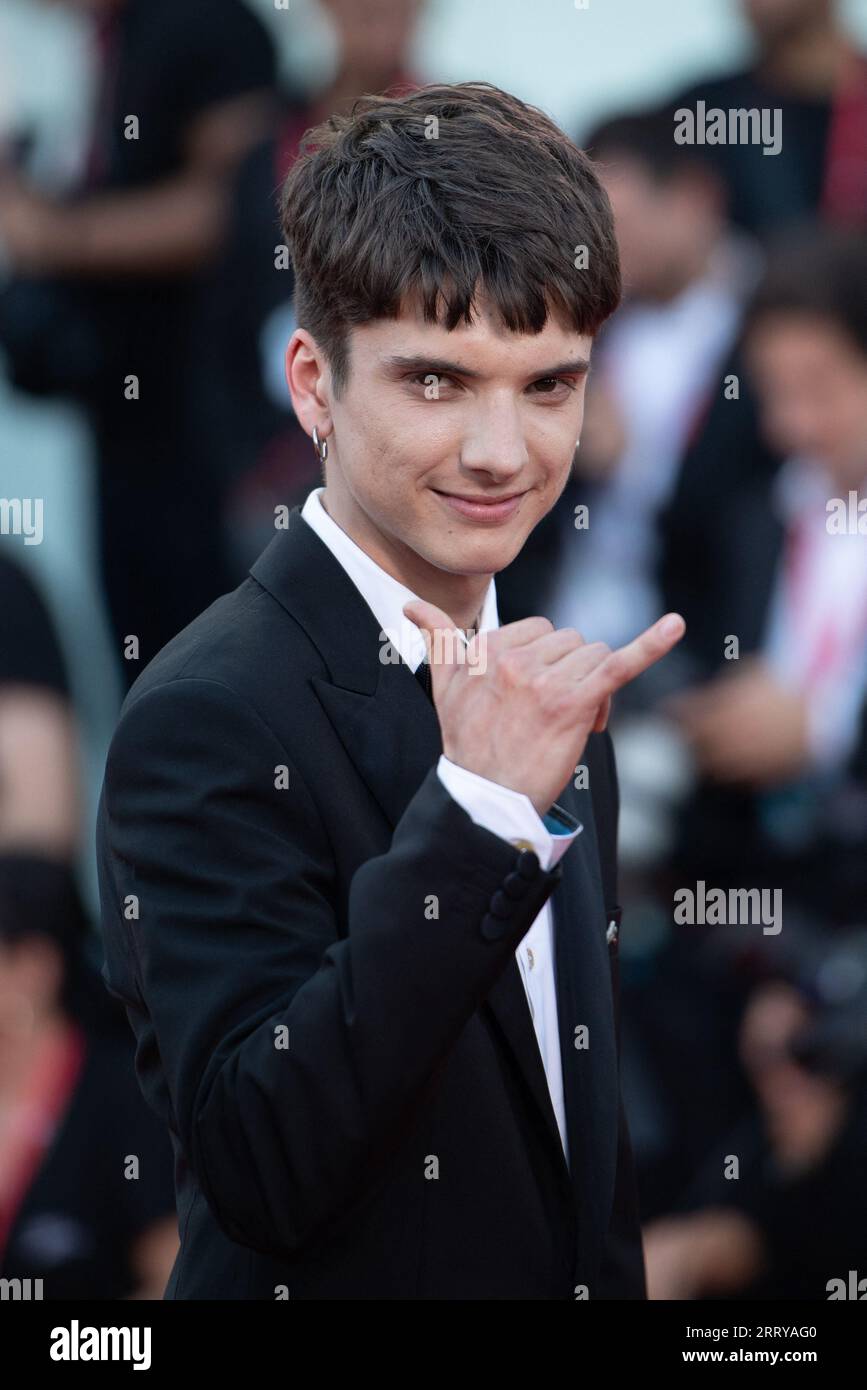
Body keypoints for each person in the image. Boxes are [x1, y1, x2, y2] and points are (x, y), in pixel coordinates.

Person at [96, 82, 685, 1300]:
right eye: (436, 381)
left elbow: (579, 1142)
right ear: (314, 384)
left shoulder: (552, 697)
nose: (500, 452)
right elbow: (264, 1160)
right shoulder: (208, 713)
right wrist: (476, 814)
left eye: (549, 385)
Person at [0, 0, 277, 687]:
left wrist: (57, 235)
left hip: (204, 433)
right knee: (145, 665)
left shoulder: (211, 24)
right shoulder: (101, 43)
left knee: (217, 668)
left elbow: (232, 207)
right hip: (119, 426)